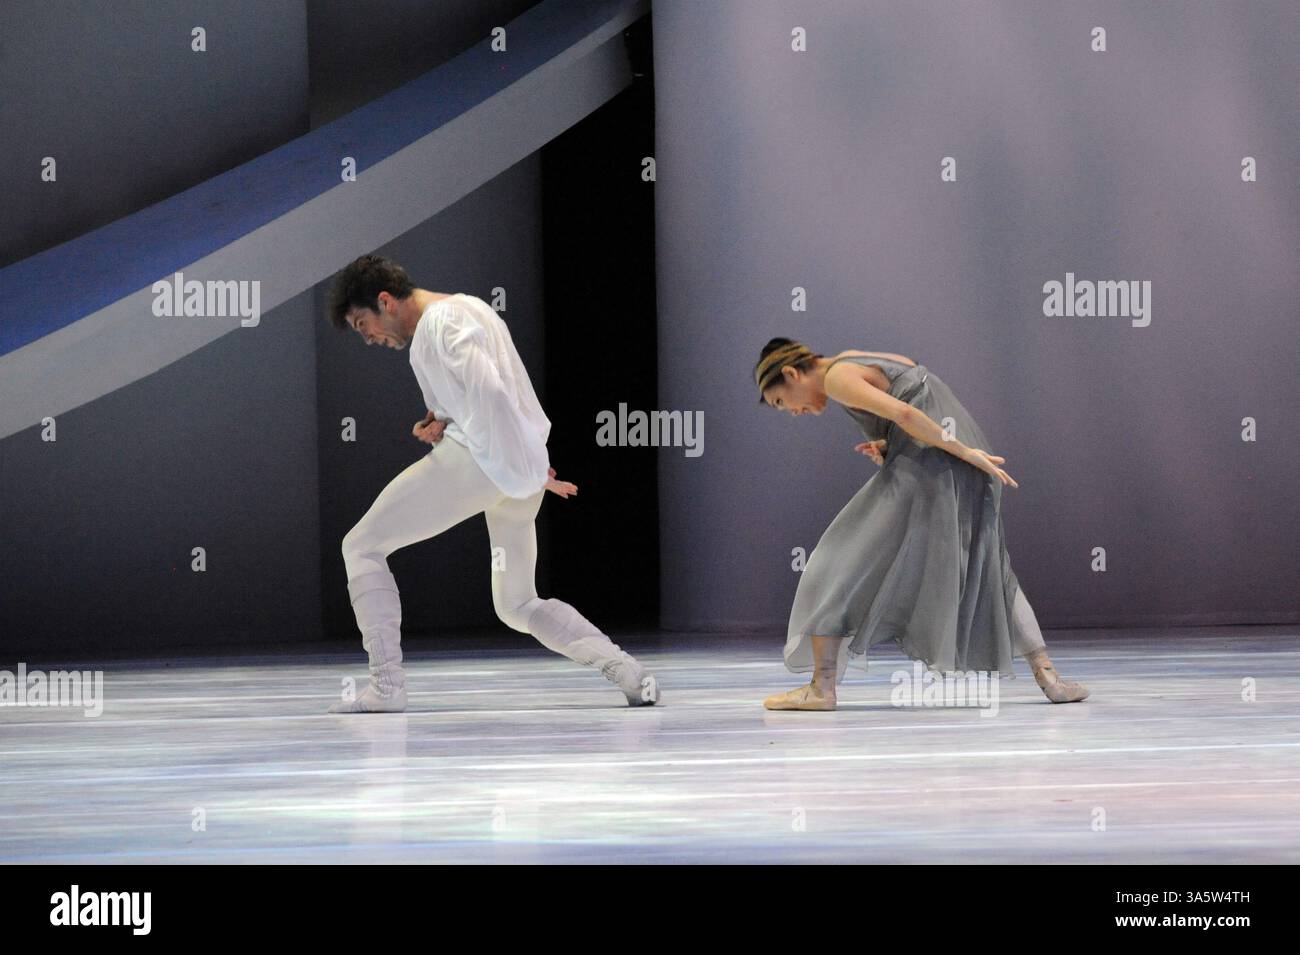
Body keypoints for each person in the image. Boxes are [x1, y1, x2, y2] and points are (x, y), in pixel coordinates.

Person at [323, 254, 658, 713]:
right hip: (515, 478)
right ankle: (629, 673)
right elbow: (493, 394)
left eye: (364, 324)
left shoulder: (441, 321)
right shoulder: (468, 309)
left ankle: (386, 687)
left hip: (483, 465)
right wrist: (445, 427)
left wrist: (520, 462)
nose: (369, 338)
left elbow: (492, 393)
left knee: (360, 546)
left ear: (385, 301)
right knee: (517, 603)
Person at [754, 338, 1088, 710]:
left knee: (834, 562)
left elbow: (907, 415)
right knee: (988, 565)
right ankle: (1050, 678)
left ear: (790, 373)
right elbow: (920, 392)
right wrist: (892, 444)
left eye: (782, 401)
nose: (792, 411)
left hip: (942, 460)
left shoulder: (837, 376)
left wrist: (962, 450)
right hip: (951, 458)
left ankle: (821, 688)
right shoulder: (855, 357)